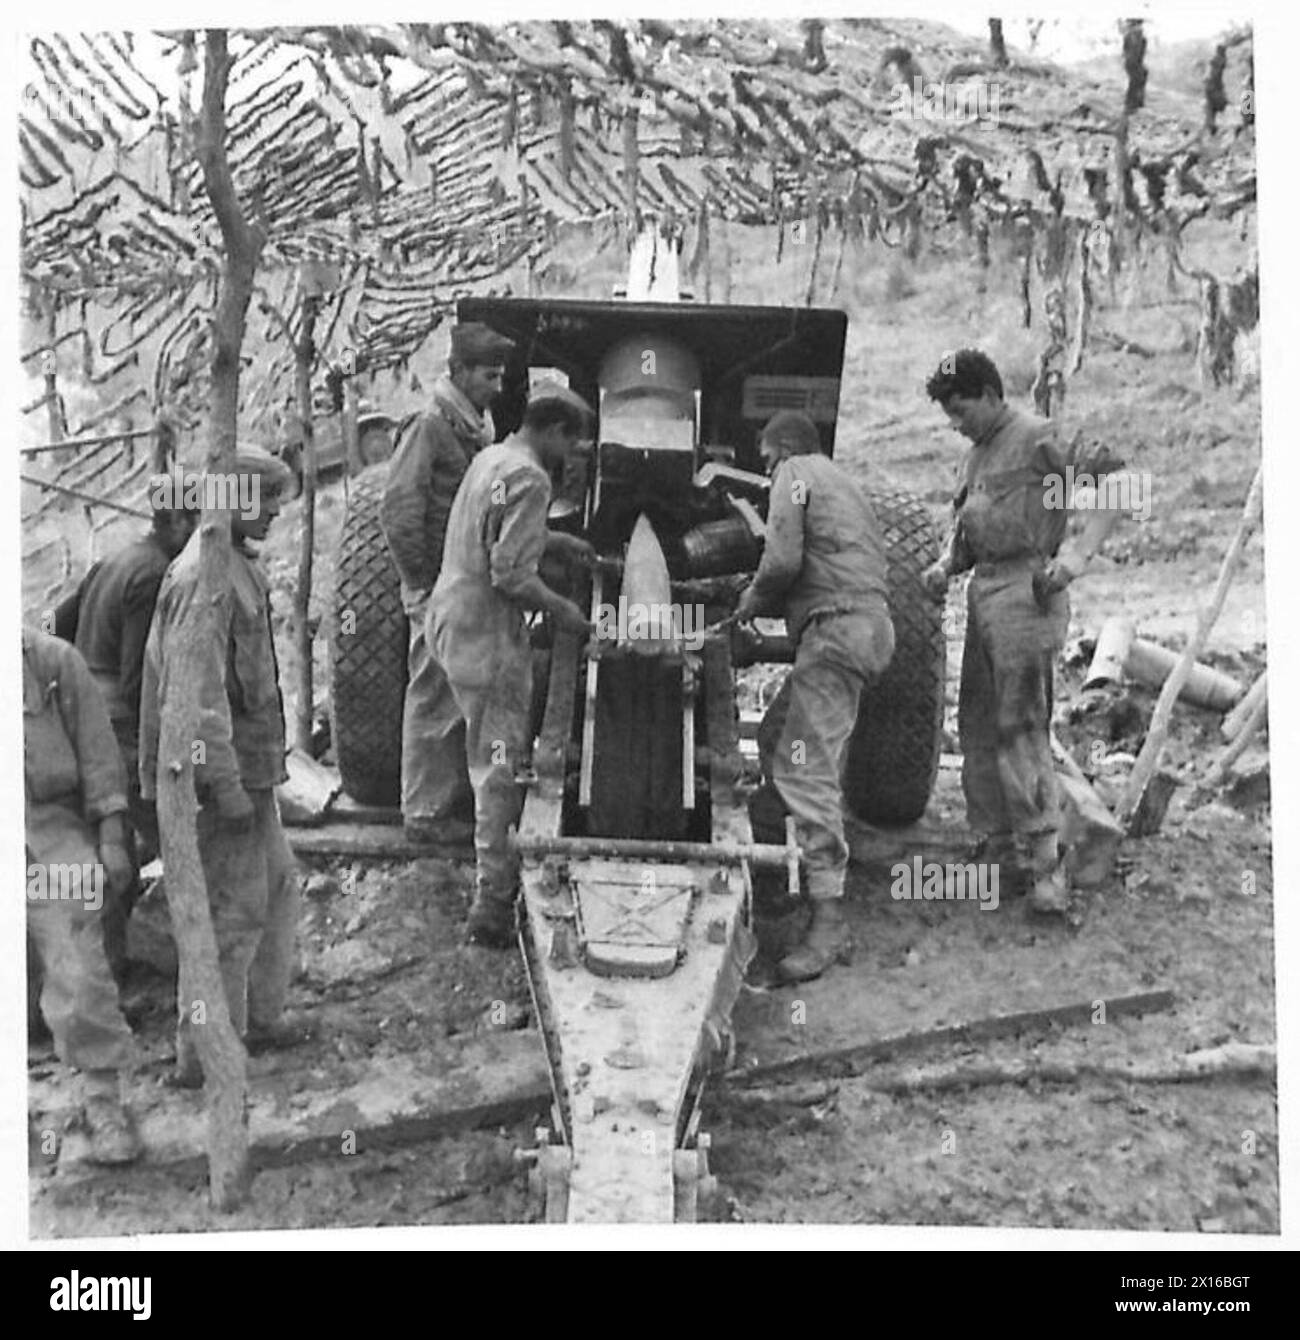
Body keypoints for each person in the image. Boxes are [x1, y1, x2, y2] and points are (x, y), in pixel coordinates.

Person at [921, 349, 1121, 914]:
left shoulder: (1039, 437)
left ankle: (1046, 869)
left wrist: (1076, 559)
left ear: (989, 394)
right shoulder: (976, 457)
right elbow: (967, 530)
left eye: (961, 411)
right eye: (949, 417)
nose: (957, 425)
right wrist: (944, 565)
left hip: (1028, 594)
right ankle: (997, 850)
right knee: (979, 725)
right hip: (983, 595)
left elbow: (1119, 482)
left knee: (1021, 726)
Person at [138, 447, 304, 1085]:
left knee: (278, 886)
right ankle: (206, 1052)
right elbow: (199, 704)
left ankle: (260, 1019)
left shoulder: (238, 568)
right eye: (264, 500)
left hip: (251, 774)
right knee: (228, 913)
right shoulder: (201, 582)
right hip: (212, 781)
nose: (276, 512)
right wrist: (228, 789)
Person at [429, 386, 596, 947]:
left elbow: (494, 532)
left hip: (451, 616)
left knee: (485, 753)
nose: (576, 457)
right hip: (488, 635)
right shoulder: (534, 479)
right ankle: (492, 905)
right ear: (554, 432)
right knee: (497, 767)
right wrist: (567, 612)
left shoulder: (494, 458)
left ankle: (492, 879)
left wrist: (557, 541)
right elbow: (510, 574)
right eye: (576, 444)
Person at [735, 410, 896, 984]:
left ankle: (828, 919)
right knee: (779, 737)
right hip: (863, 626)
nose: (767, 470)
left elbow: (781, 561)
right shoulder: (844, 484)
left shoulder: (795, 473)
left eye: (764, 460)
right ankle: (773, 881)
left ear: (780, 451)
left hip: (835, 632)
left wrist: (744, 609)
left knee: (807, 771)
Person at [54, 479, 200, 979]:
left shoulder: (115, 559)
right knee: (174, 836)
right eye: (195, 521)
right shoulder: (156, 573)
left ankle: (110, 966)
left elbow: (60, 622)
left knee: (108, 845)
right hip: (117, 722)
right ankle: (180, 965)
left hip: (84, 710)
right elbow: (142, 673)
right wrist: (156, 750)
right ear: (179, 522)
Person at [381, 322, 515, 842]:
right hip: (438, 585)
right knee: (434, 691)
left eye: (501, 376)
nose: (497, 386)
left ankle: (450, 801)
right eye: (488, 375)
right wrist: (423, 582)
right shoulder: (430, 424)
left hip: (461, 583)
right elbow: (400, 510)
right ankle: (425, 815)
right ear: (457, 371)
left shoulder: (476, 422)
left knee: (457, 689)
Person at [23, 625, 140, 1164]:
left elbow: (99, 756)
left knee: (81, 966)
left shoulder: (51, 661)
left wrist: (113, 838)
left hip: (53, 833)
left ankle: (102, 1102)